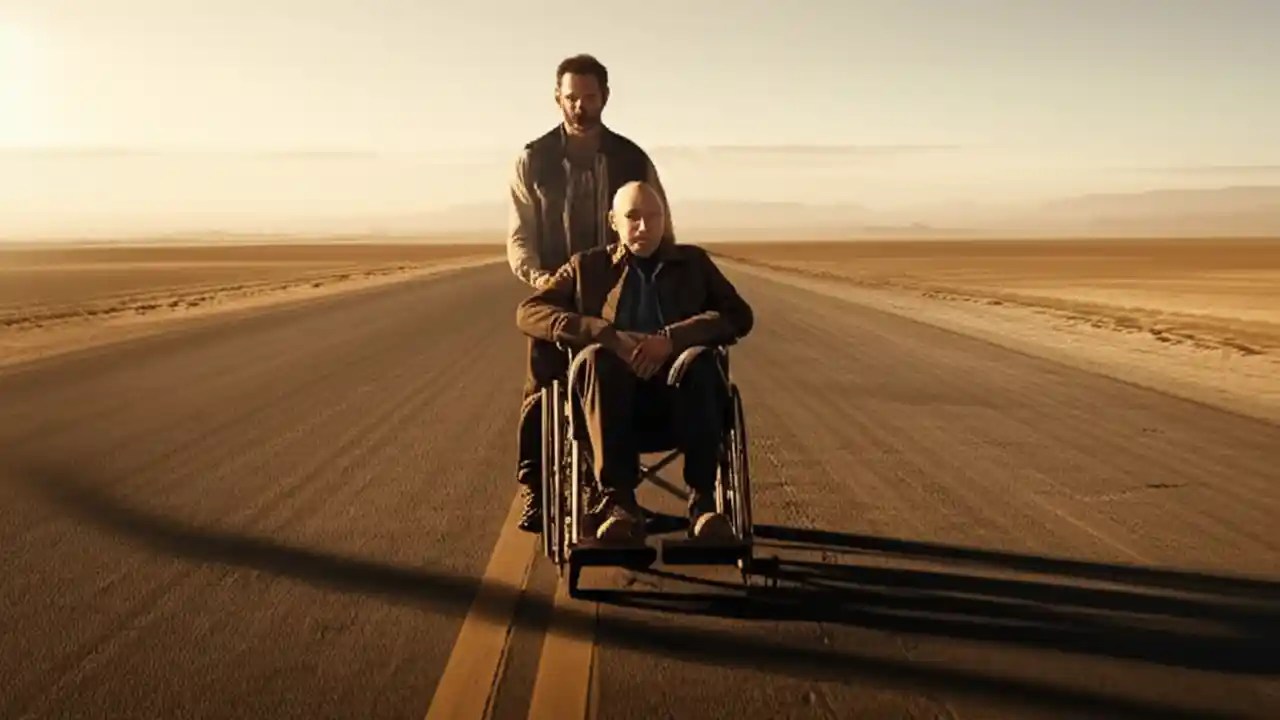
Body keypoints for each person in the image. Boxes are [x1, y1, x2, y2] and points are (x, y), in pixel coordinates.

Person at [516, 181, 753, 542]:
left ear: (665, 220)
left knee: (702, 361)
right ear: (613, 221)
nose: (644, 226)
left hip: (679, 400)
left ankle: (704, 507)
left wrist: (672, 339)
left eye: (654, 216)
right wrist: (604, 335)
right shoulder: (586, 267)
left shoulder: (693, 264)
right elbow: (530, 311)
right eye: (633, 217)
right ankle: (619, 505)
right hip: (603, 406)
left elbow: (739, 315)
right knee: (597, 359)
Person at [507, 53, 676, 533]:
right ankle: (536, 489)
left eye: (589, 97)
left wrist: (666, 275)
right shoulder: (532, 159)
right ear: (557, 98)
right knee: (544, 377)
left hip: (622, 286)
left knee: (619, 380)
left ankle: (615, 495)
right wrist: (541, 278)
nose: (580, 106)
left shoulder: (632, 158)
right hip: (560, 289)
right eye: (571, 97)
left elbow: (658, 221)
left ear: (605, 97)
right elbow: (520, 233)